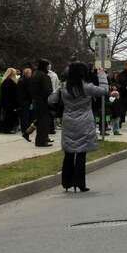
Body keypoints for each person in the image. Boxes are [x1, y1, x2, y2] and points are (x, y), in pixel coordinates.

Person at [49, 62, 108, 192]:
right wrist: (102, 75)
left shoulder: (64, 87)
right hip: (85, 121)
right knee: (81, 153)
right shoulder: (87, 87)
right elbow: (104, 90)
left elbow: (51, 100)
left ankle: (66, 182)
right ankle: (80, 183)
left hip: (68, 120)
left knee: (69, 153)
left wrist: (58, 89)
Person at [29, 60, 55, 147]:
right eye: (47, 66)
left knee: (40, 121)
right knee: (44, 122)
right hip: (43, 102)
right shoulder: (43, 76)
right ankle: (42, 141)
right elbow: (47, 90)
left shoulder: (35, 74)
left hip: (36, 101)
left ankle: (39, 139)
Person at [0, 68, 19, 133]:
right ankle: (11, 128)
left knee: (6, 115)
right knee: (11, 116)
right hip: (12, 102)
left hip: (5, 102)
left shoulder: (3, 81)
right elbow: (15, 94)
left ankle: (6, 128)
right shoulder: (13, 82)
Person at [18, 66, 35, 139]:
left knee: (24, 116)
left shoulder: (20, 80)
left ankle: (24, 128)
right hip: (26, 100)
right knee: (26, 116)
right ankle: (25, 129)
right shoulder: (27, 81)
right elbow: (29, 91)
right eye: (30, 73)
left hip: (22, 100)